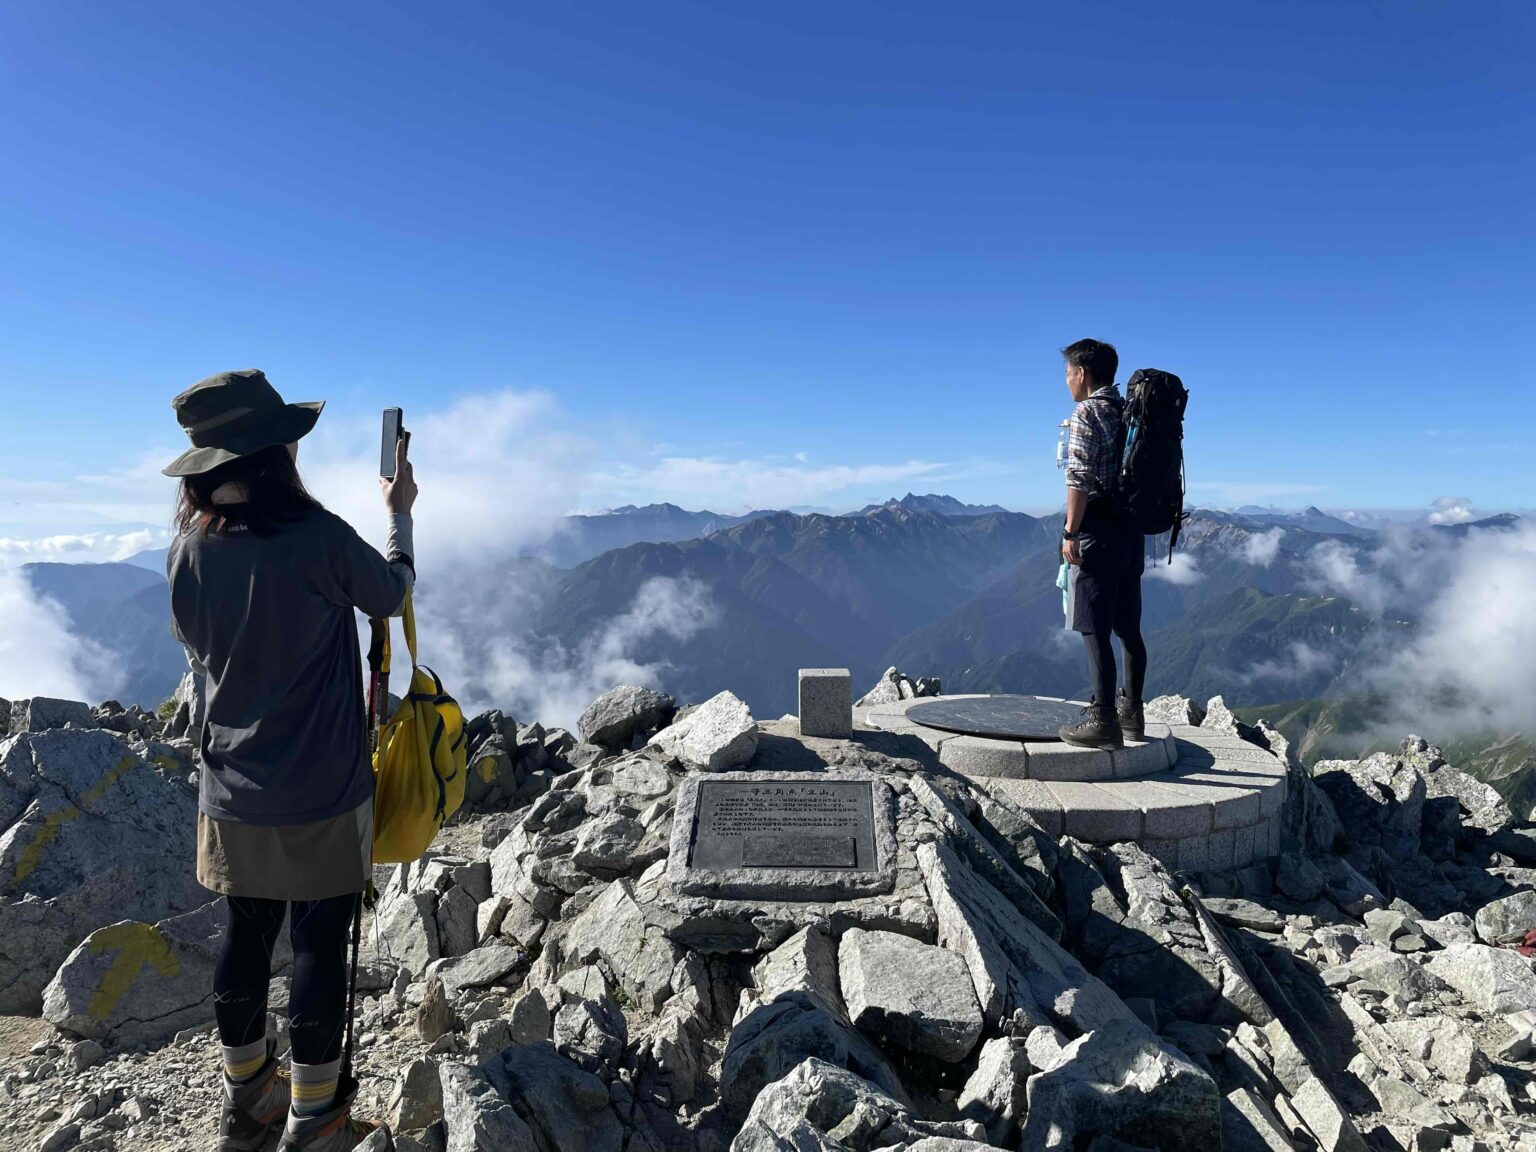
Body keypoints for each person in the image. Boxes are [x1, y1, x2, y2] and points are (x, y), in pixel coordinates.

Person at [162, 369, 416, 1152]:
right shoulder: (317, 536)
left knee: (245, 933)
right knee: (318, 939)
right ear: (277, 453)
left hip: (229, 784)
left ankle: (249, 1100)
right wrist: (399, 515)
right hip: (320, 785)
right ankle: (316, 1118)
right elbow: (390, 592)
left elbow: (198, 650)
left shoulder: (187, 549)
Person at [1055, 339, 1148, 749]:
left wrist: (1071, 532)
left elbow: (1078, 478)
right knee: (1128, 627)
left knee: (1094, 627)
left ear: (1083, 373)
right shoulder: (1130, 412)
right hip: (1132, 532)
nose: (1067, 381)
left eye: (1068, 373)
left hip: (1098, 533)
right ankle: (1133, 713)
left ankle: (1103, 720)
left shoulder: (1086, 411)